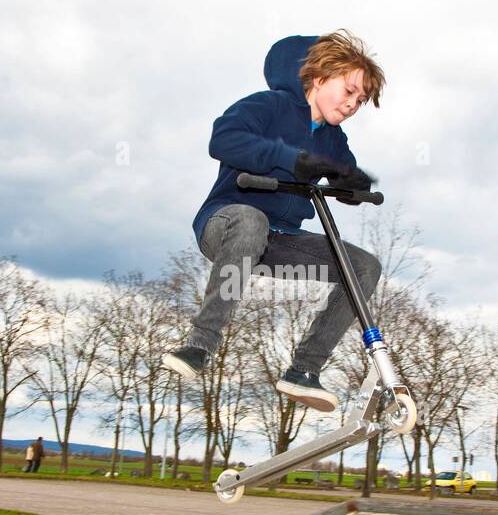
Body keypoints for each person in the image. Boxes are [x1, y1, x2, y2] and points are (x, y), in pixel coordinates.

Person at [162, 31, 385, 413]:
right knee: (251, 222)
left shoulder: (333, 137)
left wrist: (351, 180)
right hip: (226, 223)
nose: (352, 104)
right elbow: (224, 139)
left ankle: (304, 371)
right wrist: (293, 160)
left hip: (281, 241)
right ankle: (199, 344)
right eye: (348, 91)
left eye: (360, 101)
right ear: (318, 78)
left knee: (364, 267)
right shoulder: (268, 106)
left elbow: (341, 173)